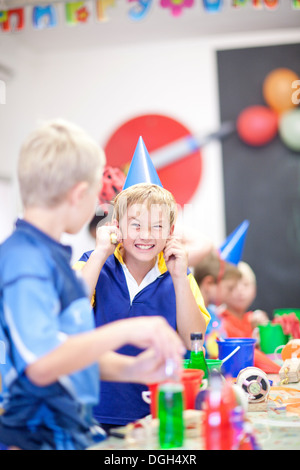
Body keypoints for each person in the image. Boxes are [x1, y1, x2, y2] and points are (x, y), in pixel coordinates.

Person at [0, 119, 185, 451]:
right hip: (35, 437)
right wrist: (127, 331)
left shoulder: (49, 256)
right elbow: (41, 365)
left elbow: (64, 350)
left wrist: (133, 369)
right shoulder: (26, 261)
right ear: (80, 194)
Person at [75, 182, 211, 430]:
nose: (146, 235)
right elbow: (71, 312)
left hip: (158, 411)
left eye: (157, 226)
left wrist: (179, 277)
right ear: (117, 227)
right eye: (135, 225)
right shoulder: (93, 262)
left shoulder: (180, 273)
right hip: (94, 410)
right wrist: (99, 252)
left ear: (170, 231)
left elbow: (196, 341)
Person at [193, 249, 242, 357]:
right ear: (208, 283)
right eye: (230, 288)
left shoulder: (214, 315)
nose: (232, 294)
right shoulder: (190, 314)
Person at [218, 261, 269, 338]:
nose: (240, 291)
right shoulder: (219, 320)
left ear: (255, 289)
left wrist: (265, 328)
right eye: (233, 286)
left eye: (246, 284)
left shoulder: (252, 320)